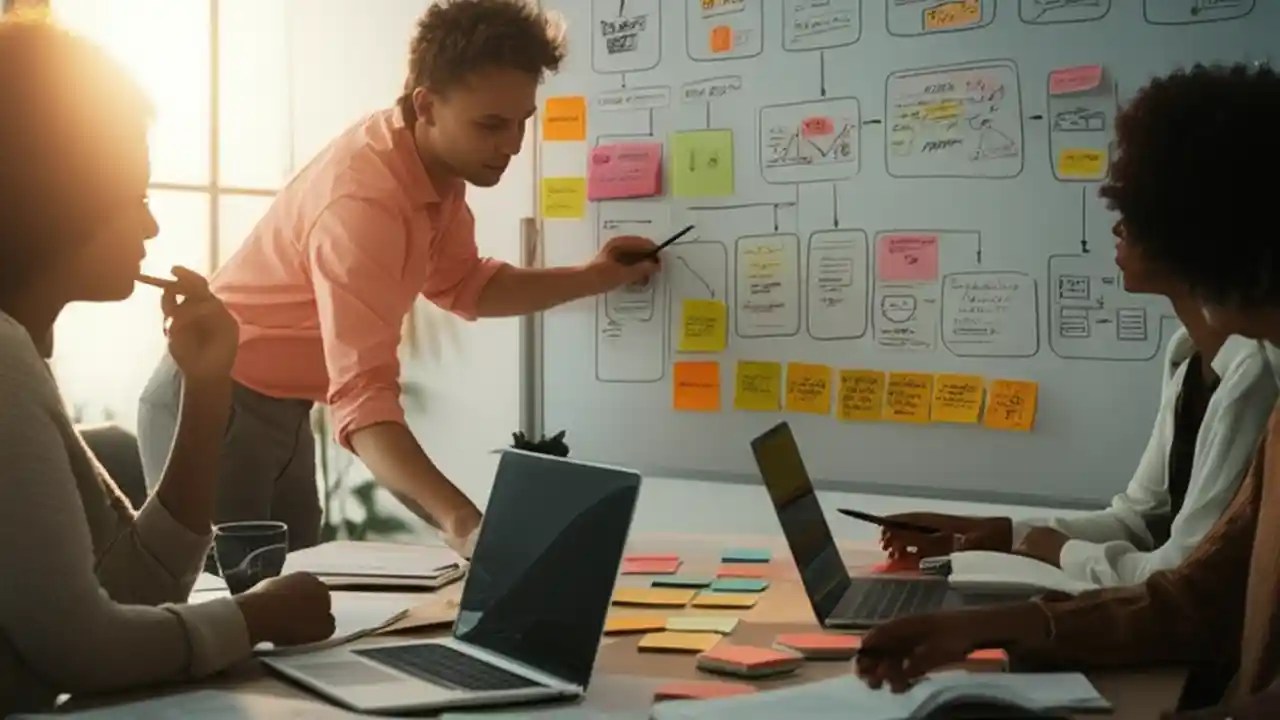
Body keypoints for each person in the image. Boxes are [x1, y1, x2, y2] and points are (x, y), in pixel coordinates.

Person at [136, 0, 661, 556]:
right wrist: (465, 523)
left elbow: (468, 285)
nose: (512, 145)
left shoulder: (435, 171)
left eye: (521, 122)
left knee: (290, 594)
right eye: (491, 125)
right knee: (231, 600)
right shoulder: (363, 204)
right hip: (213, 398)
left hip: (281, 405)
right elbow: (363, 402)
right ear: (426, 105)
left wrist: (597, 276)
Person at [855, 62, 1280, 719]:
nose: (1122, 227)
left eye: (1144, 213)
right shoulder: (1243, 391)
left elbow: (1191, 597)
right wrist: (995, 612)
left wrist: (1029, 572)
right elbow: (1197, 596)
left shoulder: (1259, 378)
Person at [0, 16, 334, 715]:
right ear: (62, 196)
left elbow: (133, 589)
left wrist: (207, 391)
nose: (151, 226)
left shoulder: (17, 351)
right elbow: (82, 646)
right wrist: (259, 615)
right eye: (135, 198)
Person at [880, 228, 1276, 587]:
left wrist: (1061, 551)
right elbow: (1137, 521)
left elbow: (1182, 572)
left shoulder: (1254, 375)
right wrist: (996, 533)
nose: (1117, 228)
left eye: (1133, 214)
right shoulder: (1186, 355)